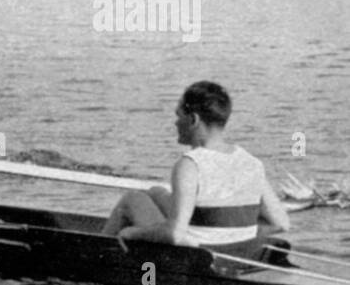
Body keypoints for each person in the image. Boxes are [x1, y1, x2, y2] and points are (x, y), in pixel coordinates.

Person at [101, 81, 289, 249]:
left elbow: (174, 235)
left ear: (193, 120)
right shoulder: (252, 163)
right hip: (238, 250)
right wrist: (234, 235)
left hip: (196, 255)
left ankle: (97, 255)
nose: (175, 122)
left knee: (132, 199)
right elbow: (281, 224)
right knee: (156, 192)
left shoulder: (190, 165)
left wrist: (132, 233)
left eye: (178, 115)